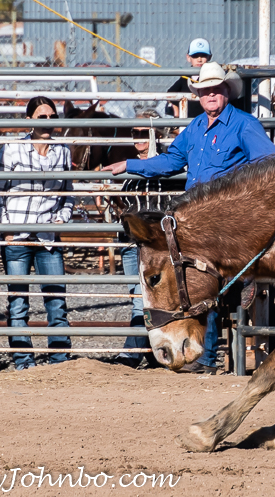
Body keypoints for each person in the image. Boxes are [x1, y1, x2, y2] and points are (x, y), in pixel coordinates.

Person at [103, 63, 275, 373]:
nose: (210, 94)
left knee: (206, 284)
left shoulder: (244, 124)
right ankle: (205, 356)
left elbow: (267, 161)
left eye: (216, 88)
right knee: (195, 285)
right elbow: (172, 160)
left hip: (227, 219)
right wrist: (130, 164)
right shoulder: (196, 127)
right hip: (196, 222)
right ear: (198, 95)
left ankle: (241, 288)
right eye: (205, 90)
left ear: (227, 92)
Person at [0, 96, 75, 370]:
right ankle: (24, 362)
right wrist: (5, 229)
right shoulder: (12, 149)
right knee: (18, 303)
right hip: (18, 235)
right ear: (30, 120)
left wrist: (61, 218)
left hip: (48, 236)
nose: (47, 122)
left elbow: (68, 194)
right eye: (42, 117)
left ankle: (59, 361)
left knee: (56, 301)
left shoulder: (62, 151)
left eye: (51, 118)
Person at [115, 109, 163, 369]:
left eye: (144, 133)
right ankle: (152, 354)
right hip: (130, 242)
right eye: (135, 133)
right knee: (139, 298)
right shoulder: (129, 171)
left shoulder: (167, 169)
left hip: (152, 245)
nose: (138, 138)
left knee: (142, 298)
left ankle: (129, 356)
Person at [165, 38, 212, 119]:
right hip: (188, 120)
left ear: (209, 57)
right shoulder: (185, 77)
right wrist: (176, 110)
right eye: (195, 56)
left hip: (206, 120)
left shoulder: (212, 76)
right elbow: (170, 94)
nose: (199, 60)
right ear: (188, 57)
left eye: (203, 56)